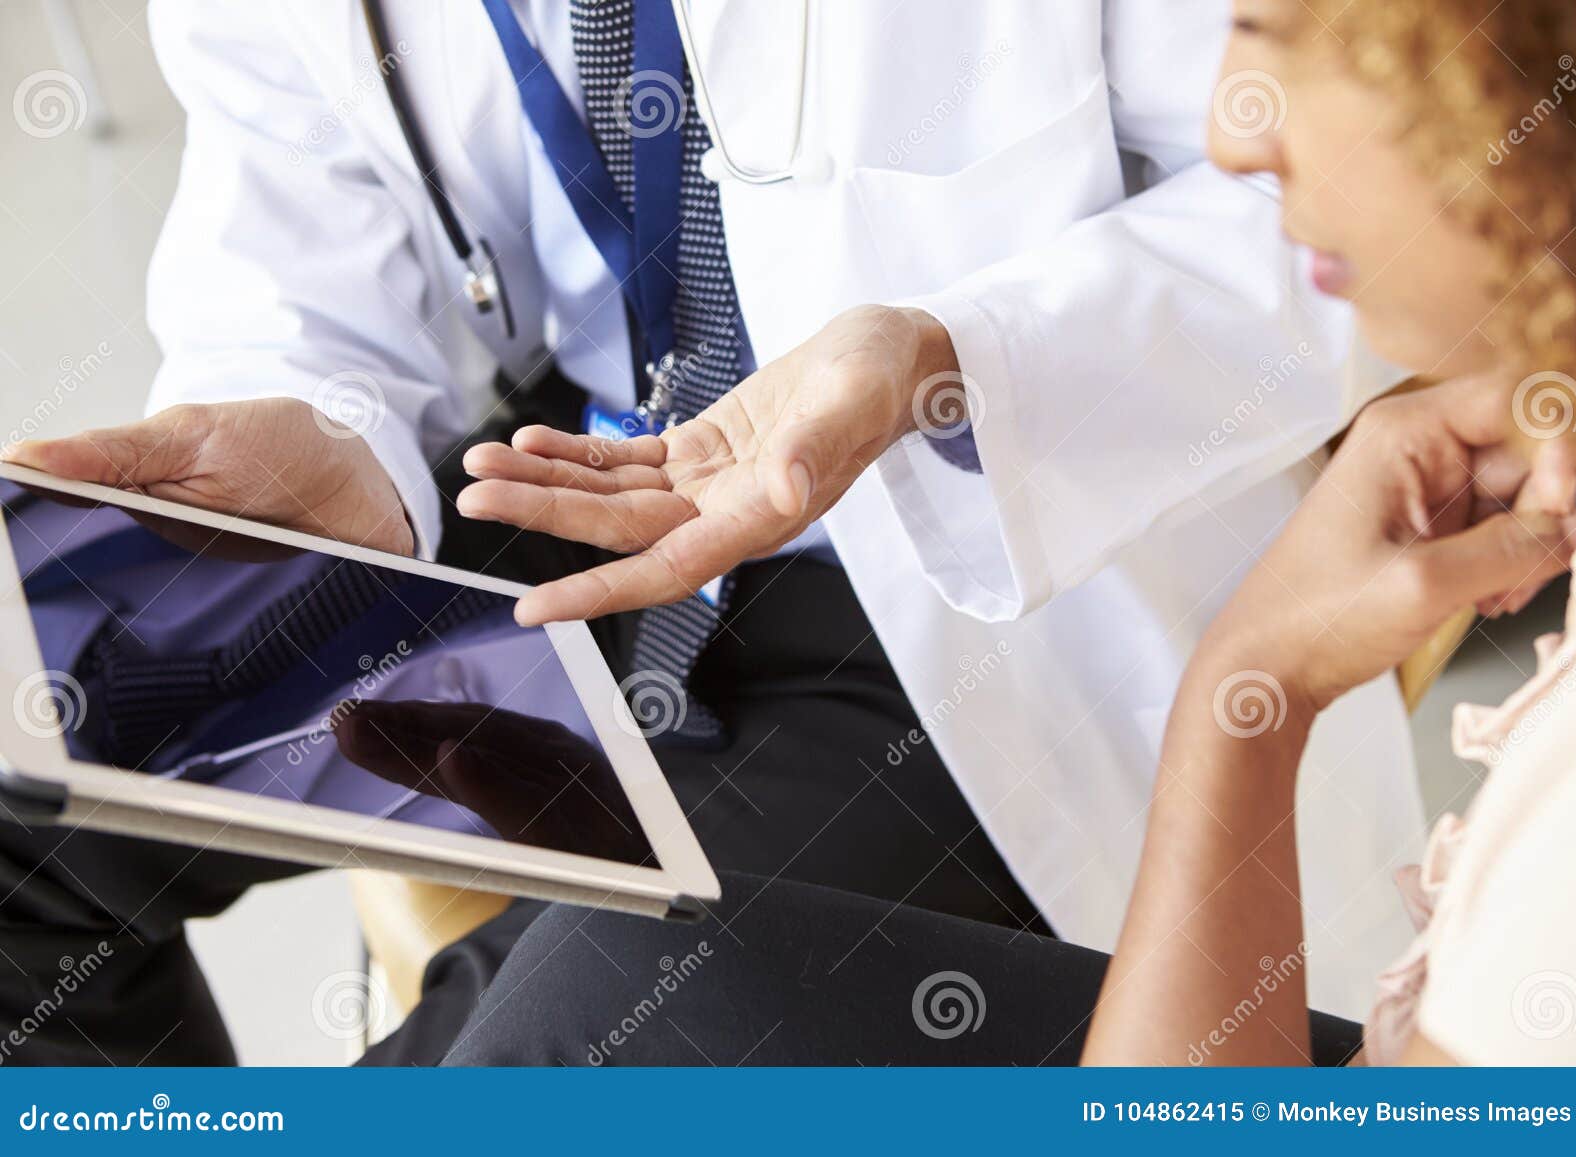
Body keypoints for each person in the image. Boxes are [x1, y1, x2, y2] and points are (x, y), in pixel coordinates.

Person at [3, 0, 1411, 1065]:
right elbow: (302, 212)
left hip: (976, 566)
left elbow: (1345, 209)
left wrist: (947, 357)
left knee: (570, 1041)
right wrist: (325, 419)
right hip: (566, 477)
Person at [366, 0, 1576, 1066]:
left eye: (1274, 34)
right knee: (540, 996)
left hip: (954, 588)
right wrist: (329, 429)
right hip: (611, 476)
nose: (1239, 128)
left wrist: (1247, 678)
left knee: (574, 1016)